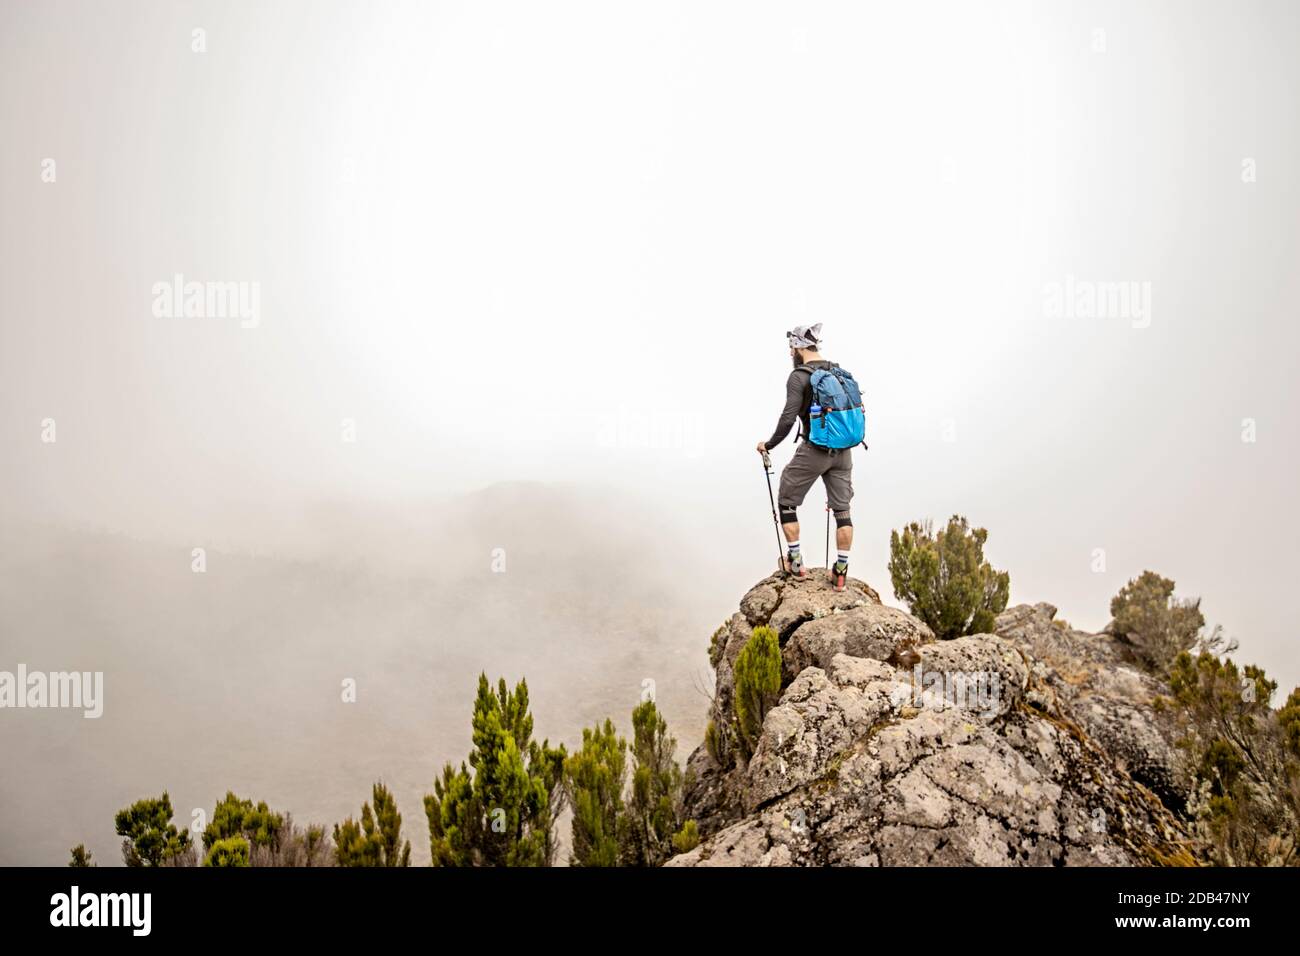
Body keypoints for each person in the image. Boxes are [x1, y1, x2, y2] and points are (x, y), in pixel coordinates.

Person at [755, 323, 855, 591]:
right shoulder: (837, 371)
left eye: (791, 347)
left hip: (814, 450)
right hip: (844, 452)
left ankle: (796, 563)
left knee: (786, 500)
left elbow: (788, 417)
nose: (790, 352)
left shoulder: (799, 377)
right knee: (842, 511)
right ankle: (841, 571)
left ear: (798, 347)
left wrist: (769, 444)